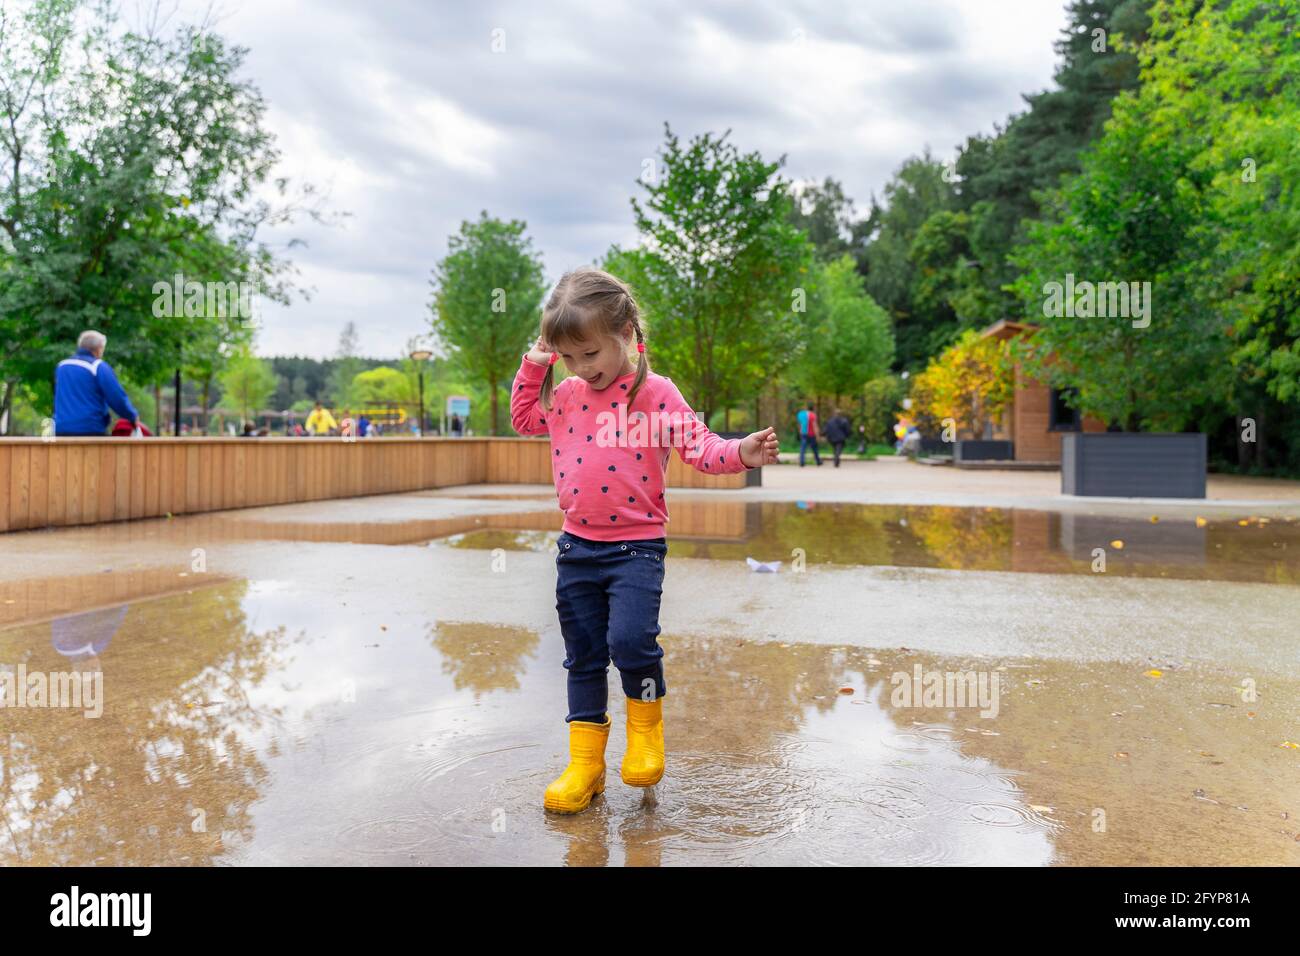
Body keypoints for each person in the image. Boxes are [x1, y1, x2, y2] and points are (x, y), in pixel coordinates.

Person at [511, 266, 779, 814]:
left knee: (632, 642)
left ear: (627, 334)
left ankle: (646, 731)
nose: (583, 369)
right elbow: (523, 419)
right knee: (583, 657)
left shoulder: (655, 393)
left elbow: (699, 447)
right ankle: (585, 764)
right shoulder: (563, 394)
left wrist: (741, 453)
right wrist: (536, 361)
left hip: (637, 548)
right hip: (576, 549)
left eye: (591, 354)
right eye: (569, 357)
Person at [52, 331, 141, 436]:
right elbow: (116, 397)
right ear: (99, 349)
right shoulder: (97, 366)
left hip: (60, 429)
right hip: (90, 429)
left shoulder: (62, 366)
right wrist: (132, 416)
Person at [796, 402, 822, 467]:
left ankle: (802, 461)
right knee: (814, 448)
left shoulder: (800, 414)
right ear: (813, 409)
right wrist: (817, 436)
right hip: (811, 434)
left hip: (803, 433)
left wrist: (800, 432)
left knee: (803, 448)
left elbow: (799, 424)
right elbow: (815, 426)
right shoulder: (813, 415)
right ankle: (818, 461)